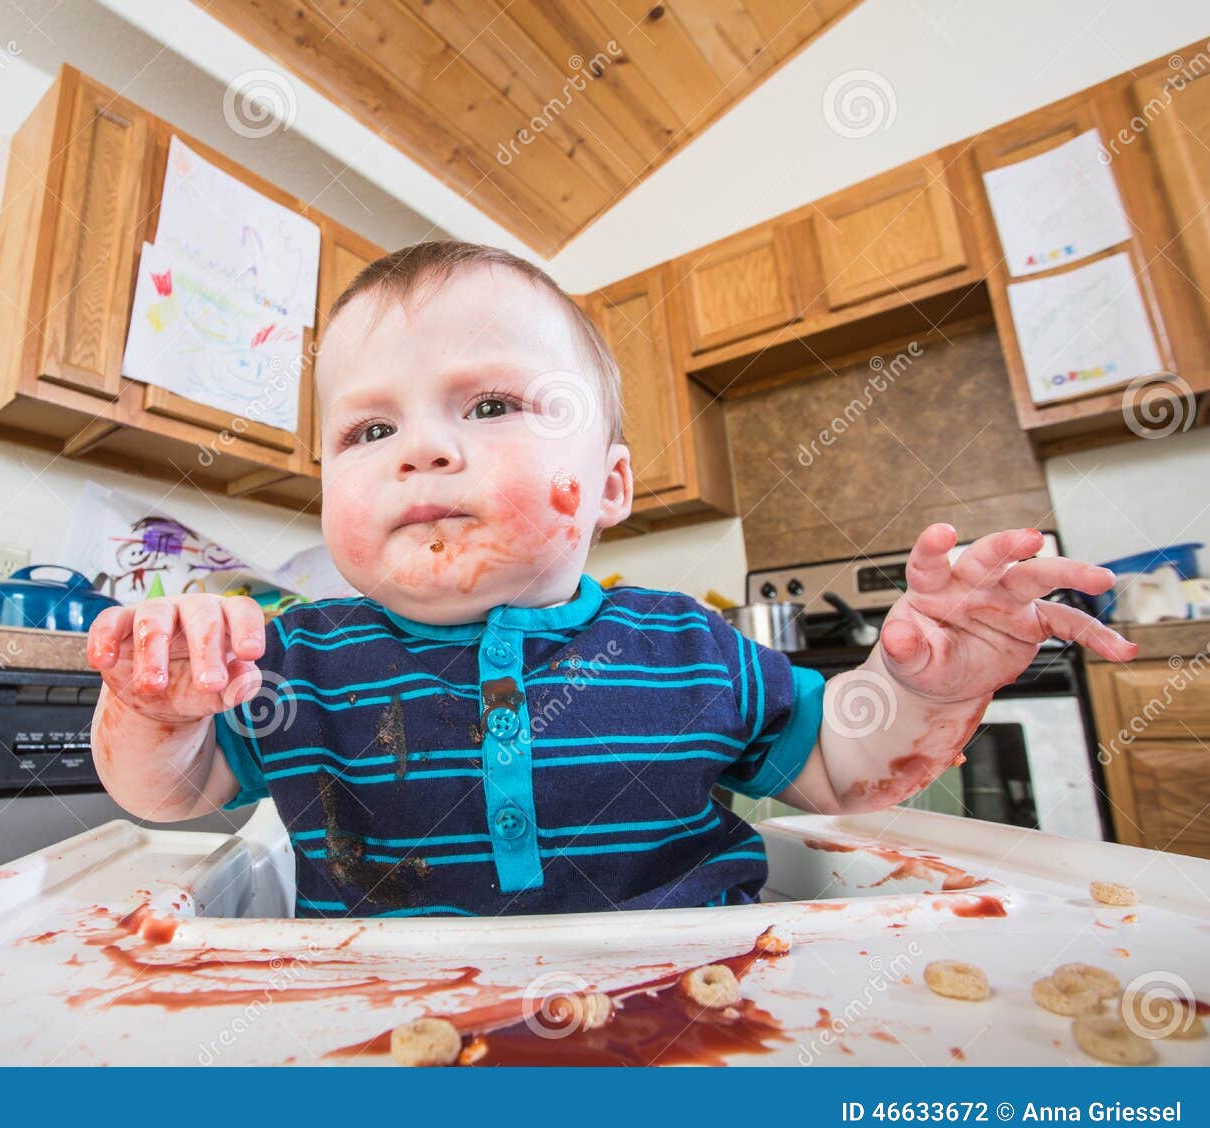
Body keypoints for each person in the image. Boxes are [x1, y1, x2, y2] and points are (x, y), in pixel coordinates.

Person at [86, 241, 1135, 917]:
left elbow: (840, 771)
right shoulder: (295, 657)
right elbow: (170, 796)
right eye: (369, 428)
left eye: (489, 405)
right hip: (384, 1042)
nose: (421, 449)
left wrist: (924, 692)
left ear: (610, 484)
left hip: (701, 1025)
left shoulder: (690, 645)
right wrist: (153, 712)